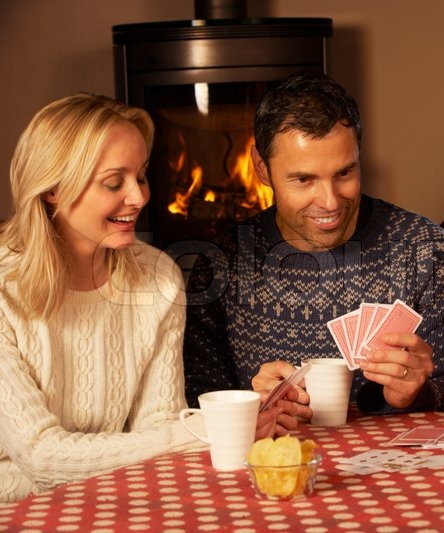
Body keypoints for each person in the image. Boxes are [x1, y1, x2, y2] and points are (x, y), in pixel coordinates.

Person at [0, 93, 287, 502]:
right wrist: (206, 431)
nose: (138, 197)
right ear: (53, 189)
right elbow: (41, 459)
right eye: (114, 182)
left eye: (142, 176)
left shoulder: (157, 278)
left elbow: (160, 431)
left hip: (121, 496)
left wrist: (192, 436)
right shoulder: (3, 289)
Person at [183, 71, 444, 427]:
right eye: (304, 179)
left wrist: (417, 393)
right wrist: (247, 404)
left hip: (396, 473)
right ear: (262, 168)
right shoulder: (220, 265)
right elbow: (195, 401)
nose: (329, 202)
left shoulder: (426, 250)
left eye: (344, 173)